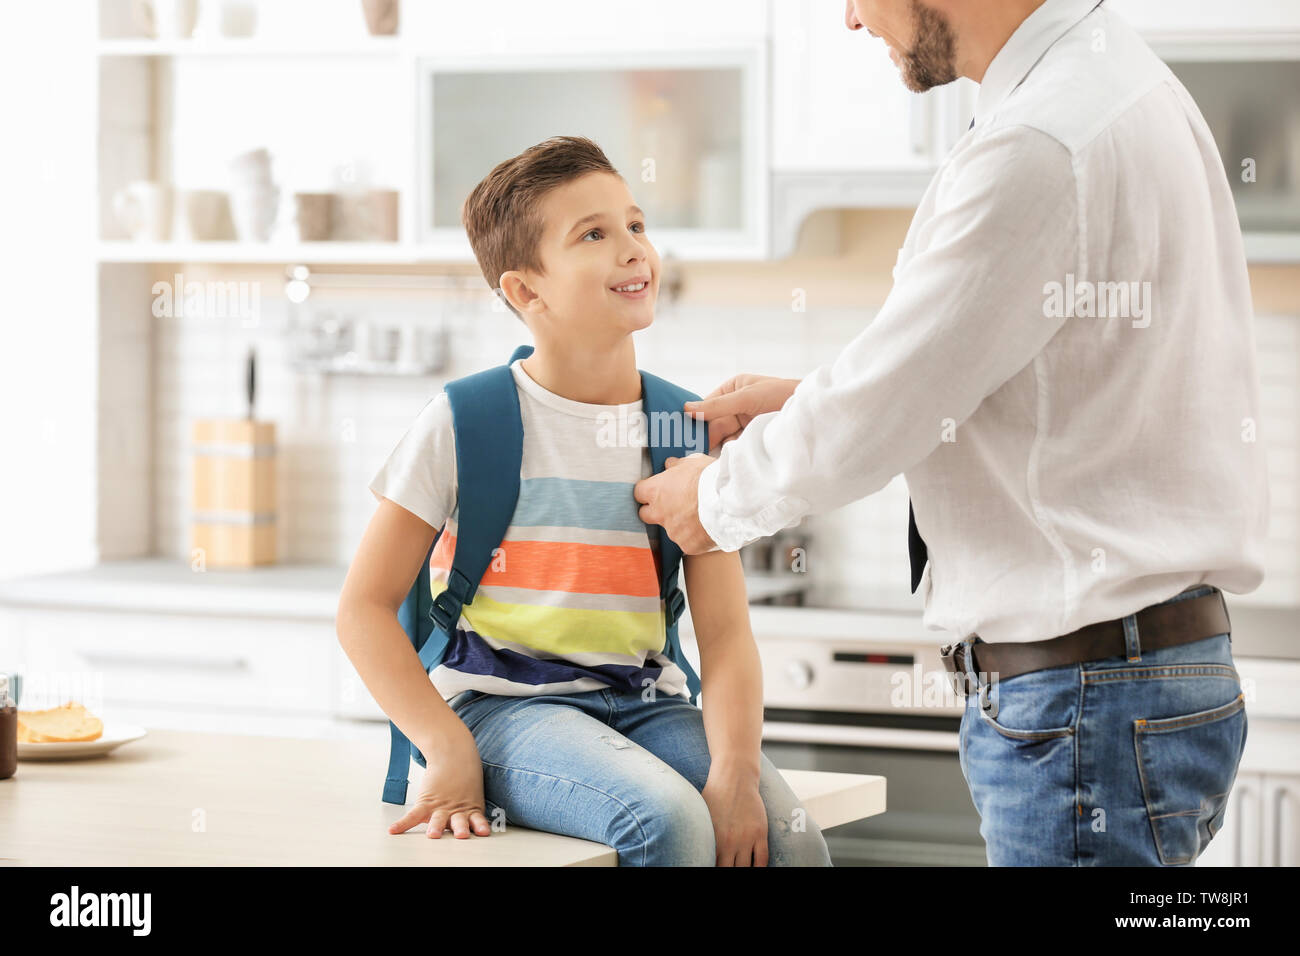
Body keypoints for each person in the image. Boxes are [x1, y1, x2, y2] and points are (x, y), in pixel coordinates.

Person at [634, 0, 1268, 866]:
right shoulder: (1111, 81)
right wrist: (809, 399)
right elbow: (1003, 374)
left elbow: (888, 403)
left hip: (1082, 700)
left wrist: (713, 500)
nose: (852, 20)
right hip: (1134, 683)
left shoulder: (1042, 138)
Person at [337, 135, 832, 866]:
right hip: (507, 713)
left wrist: (734, 773)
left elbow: (725, 637)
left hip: (647, 704)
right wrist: (444, 748)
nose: (633, 249)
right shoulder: (464, 421)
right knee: (667, 820)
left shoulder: (679, 426)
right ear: (526, 291)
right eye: (593, 234)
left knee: (791, 838)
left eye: (635, 224)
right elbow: (363, 609)